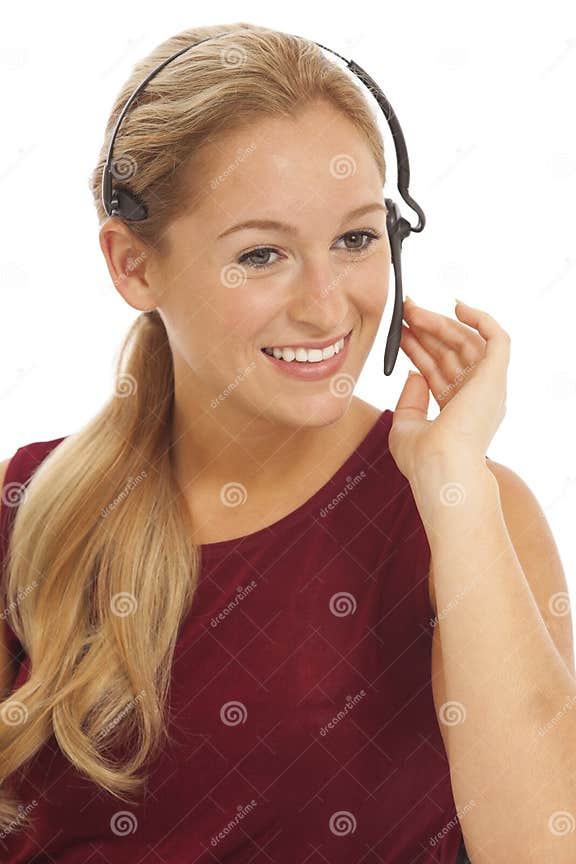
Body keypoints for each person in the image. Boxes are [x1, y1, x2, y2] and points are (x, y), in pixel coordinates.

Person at [1, 21, 573, 864]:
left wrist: (452, 480)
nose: (325, 305)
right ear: (133, 266)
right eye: (262, 254)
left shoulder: (463, 512)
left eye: (355, 239)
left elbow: (543, 848)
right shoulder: (31, 504)